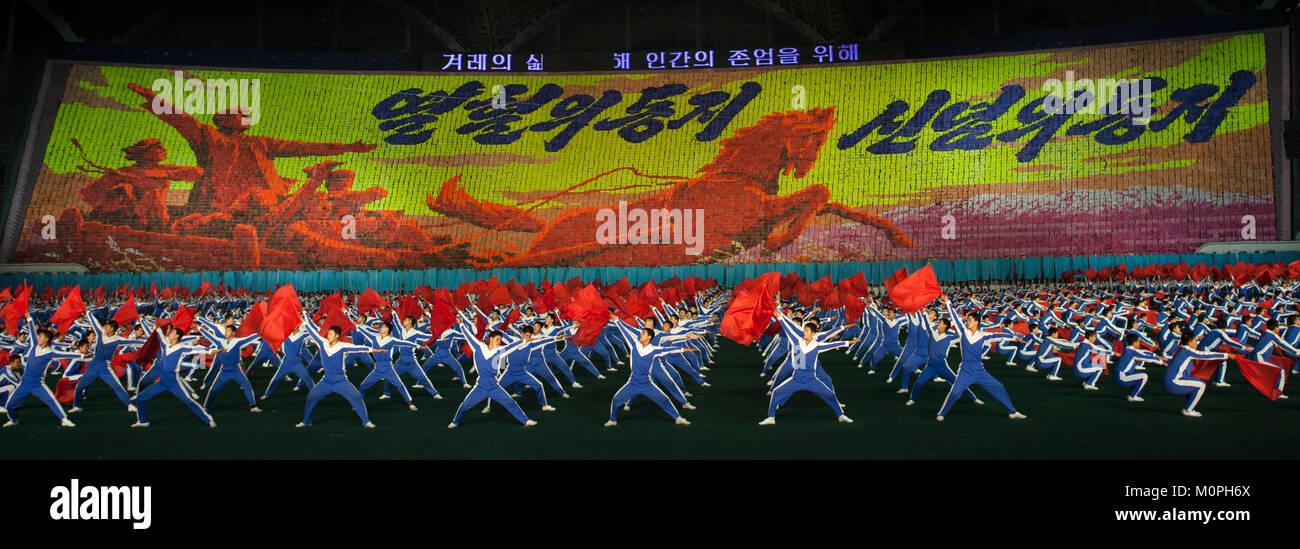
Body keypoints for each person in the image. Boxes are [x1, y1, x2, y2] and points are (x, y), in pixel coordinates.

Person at [758, 306, 856, 426]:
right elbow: (789, 330)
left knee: (830, 394)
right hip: (796, 378)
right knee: (776, 392)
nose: (804, 332)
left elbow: (834, 344)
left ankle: (841, 415)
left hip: (811, 379)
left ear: (813, 333)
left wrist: (848, 342)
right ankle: (771, 417)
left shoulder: (817, 345)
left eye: (807, 331)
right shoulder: (796, 341)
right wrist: (780, 318)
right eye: (804, 330)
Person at [936, 296, 1027, 422]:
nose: (967, 322)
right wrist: (947, 302)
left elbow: (998, 335)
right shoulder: (963, 332)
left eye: (970, 320)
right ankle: (942, 413)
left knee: (999, 387)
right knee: (955, 393)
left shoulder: (983, 335)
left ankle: (1013, 411)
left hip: (979, 369)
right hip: (965, 370)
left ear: (976, 322)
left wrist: (1014, 337)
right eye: (967, 320)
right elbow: (955, 318)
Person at [448, 315, 538, 428]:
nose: (499, 342)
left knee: (510, 402)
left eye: (500, 340)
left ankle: (525, 420)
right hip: (480, 386)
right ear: (490, 338)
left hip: (494, 386)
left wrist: (524, 341)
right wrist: (461, 324)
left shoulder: (500, 350)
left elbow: (512, 346)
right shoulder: (479, 347)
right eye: (497, 340)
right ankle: (455, 422)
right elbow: (469, 336)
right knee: (465, 405)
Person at [296, 313, 383, 428]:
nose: (328, 335)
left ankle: (366, 421)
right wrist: (304, 322)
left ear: (337, 336)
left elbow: (358, 348)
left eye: (331, 334)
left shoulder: (342, 346)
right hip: (326, 380)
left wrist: (373, 349)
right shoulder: (323, 343)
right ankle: (306, 421)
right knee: (311, 397)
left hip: (341, 381)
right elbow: (313, 332)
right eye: (328, 333)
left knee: (356, 397)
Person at [605, 326, 694, 427]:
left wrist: (685, 349)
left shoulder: (654, 350)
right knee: (616, 399)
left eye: (643, 333)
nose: (640, 335)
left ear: (649, 337)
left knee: (664, 399)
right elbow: (625, 332)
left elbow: (670, 349)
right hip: (632, 383)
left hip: (647, 384)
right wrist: (617, 321)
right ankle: (613, 420)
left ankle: (678, 418)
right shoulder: (634, 344)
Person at [3, 315, 83, 427]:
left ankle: (64, 419)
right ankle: (14, 420)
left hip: (38, 384)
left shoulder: (50, 352)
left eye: (40, 336)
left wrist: (83, 355)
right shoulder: (35, 344)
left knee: (51, 401)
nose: (38, 337)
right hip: (25, 383)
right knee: (10, 405)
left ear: (46, 339)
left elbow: (68, 354)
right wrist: (29, 318)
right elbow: (32, 331)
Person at [131, 324, 218, 428]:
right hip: (162, 381)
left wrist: (210, 351)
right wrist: (158, 327)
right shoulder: (166, 345)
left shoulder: (182, 348)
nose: (170, 333)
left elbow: (197, 349)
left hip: (173, 381)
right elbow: (160, 335)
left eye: (172, 332)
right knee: (140, 398)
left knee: (188, 401)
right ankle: (143, 421)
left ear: (177, 336)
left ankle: (209, 420)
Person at [68, 312, 141, 414]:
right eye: (105, 326)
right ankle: (77, 406)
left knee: (117, 386)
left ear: (112, 329)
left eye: (107, 326)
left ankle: (129, 405)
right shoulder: (101, 332)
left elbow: (134, 343)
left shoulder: (117, 339)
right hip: (93, 365)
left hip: (105, 367)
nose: (105, 327)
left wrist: (148, 342)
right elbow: (94, 322)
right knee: (79, 387)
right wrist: (87, 312)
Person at [1164, 331, 1231, 417]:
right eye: (1195, 341)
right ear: (1190, 342)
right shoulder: (1188, 351)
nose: (1196, 343)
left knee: (1196, 382)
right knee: (1201, 385)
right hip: (1173, 383)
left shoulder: (1182, 349)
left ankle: (1188, 407)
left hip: (1169, 381)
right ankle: (1188, 410)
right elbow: (1205, 355)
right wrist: (1226, 355)